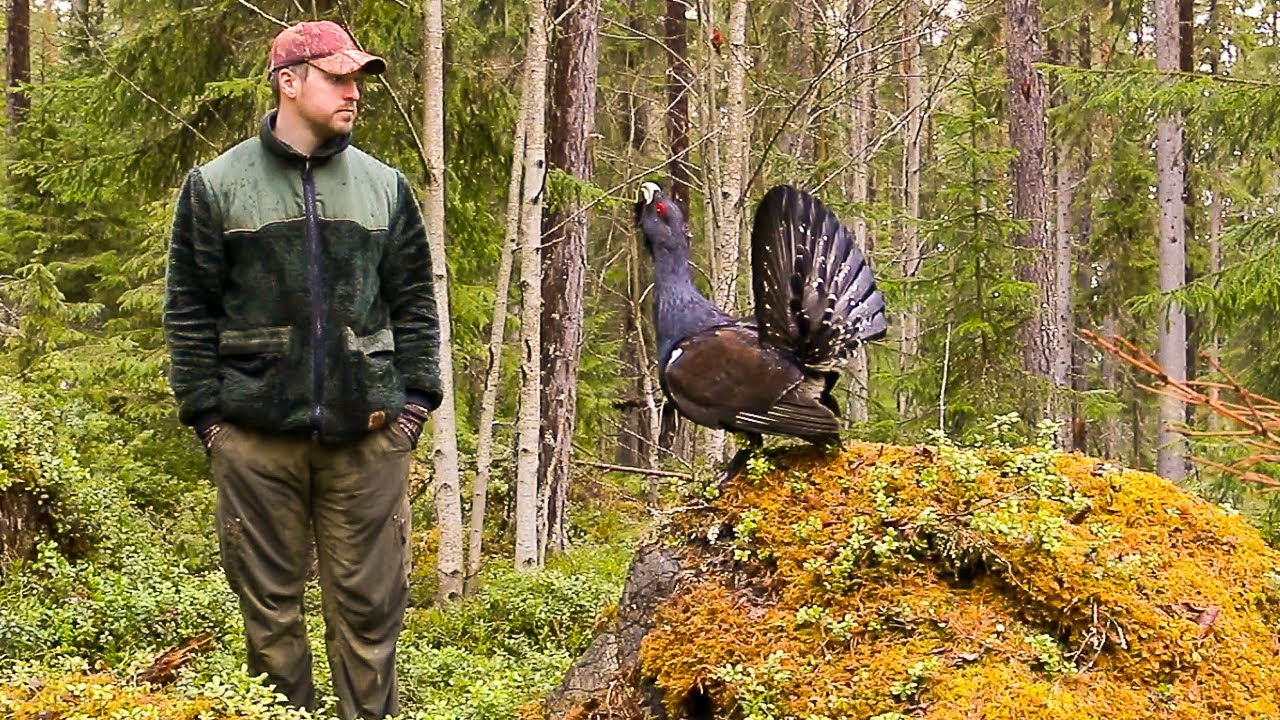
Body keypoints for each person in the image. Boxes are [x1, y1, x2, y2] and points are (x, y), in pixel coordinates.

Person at [162, 20, 440, 720]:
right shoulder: (217, 185)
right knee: (270, 628)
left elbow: (415, 304)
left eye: (357, 80)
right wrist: (211, 421)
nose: (354, 93)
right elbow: (189, 309)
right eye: (339, 77)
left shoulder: (384, 187)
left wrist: (411, 411)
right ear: (289, 82)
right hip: (255, 442)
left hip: (368, 439)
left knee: (372, 623)